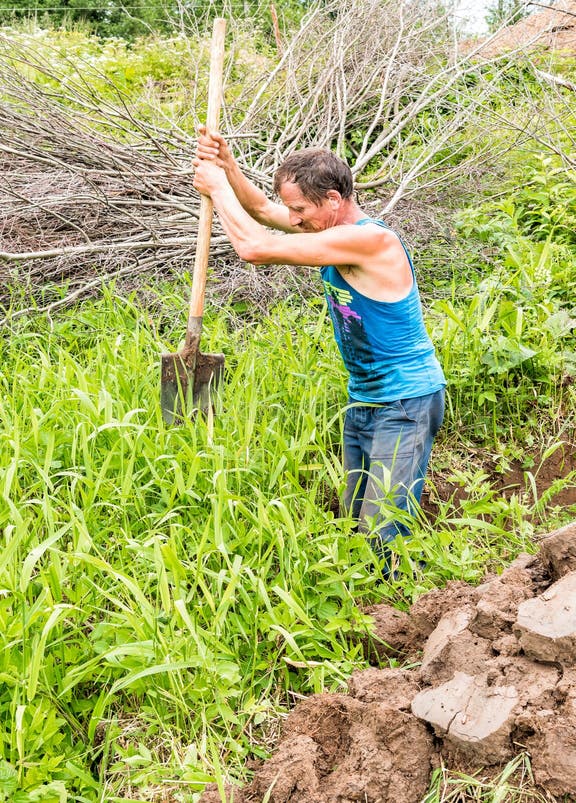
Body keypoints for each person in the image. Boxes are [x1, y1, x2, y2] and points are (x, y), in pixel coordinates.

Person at [193, 128, 446, 571]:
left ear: (332, 199)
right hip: (366, 397)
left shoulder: (370, 241)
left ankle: (399, 618)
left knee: (382, 532)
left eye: (300, 210)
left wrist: (215, 188)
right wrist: (227, 166)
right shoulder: (330, 228)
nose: (292, 219)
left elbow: (254, 247)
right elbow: (259, 210)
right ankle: (364, 607)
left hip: (405, 400)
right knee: (354, 523)